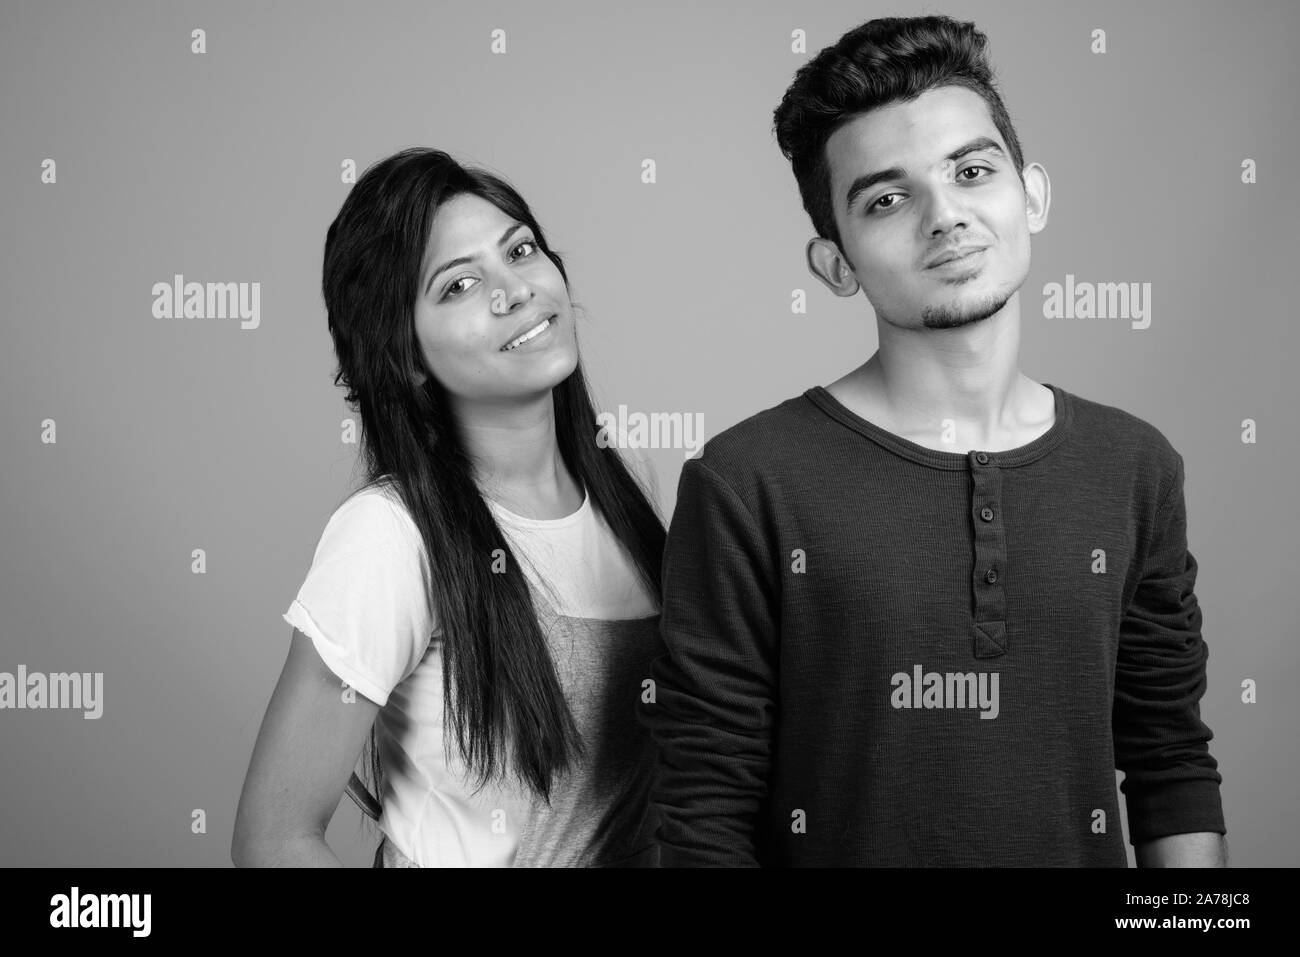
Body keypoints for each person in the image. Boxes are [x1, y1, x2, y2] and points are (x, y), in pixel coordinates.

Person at [641, 15, 1228, 867]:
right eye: (886, 198)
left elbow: (1170, 761)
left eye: (972, 171)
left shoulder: (1135, 467)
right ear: (834, 263)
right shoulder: (747, 481)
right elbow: (704, 809)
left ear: (1031, 195)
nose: (944, 216)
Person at [232, 148, 665, 867]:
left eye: (520, 250)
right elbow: (273, 839)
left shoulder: (626, 504)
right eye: (460, 284)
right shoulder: (391, 537)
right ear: (405, 354)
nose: (515, 290)